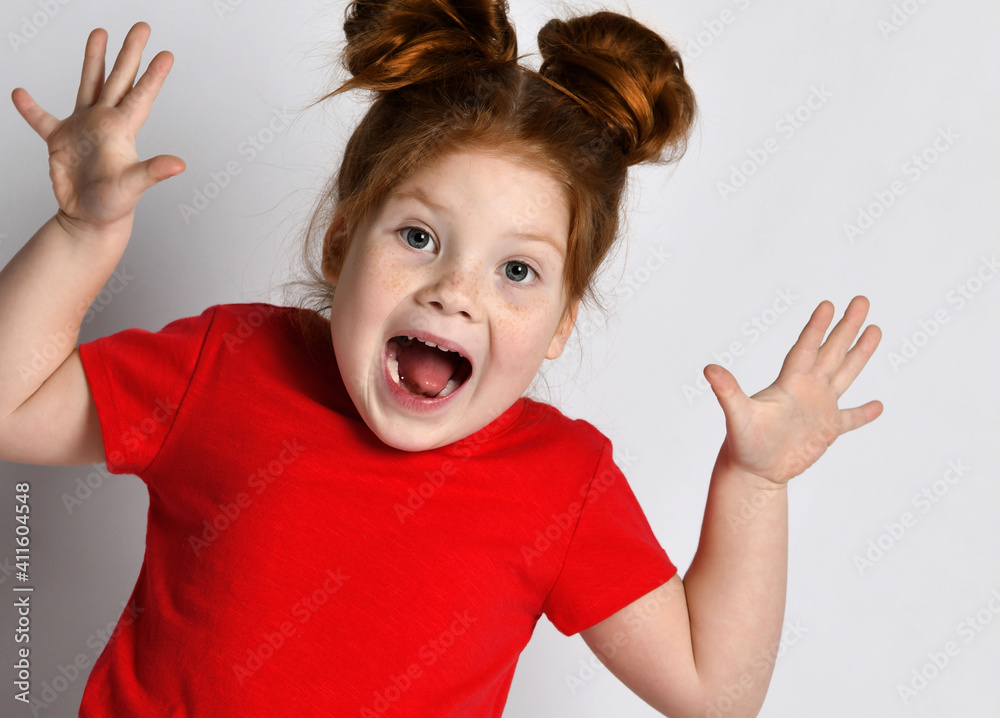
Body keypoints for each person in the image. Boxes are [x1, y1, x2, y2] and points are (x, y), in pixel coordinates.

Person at [0, 1, 882, 716]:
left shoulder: (559, 482)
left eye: (516, 270)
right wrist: (84, 234)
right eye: (419, 237)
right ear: (343, 245)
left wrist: (755, 486)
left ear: (562, 323)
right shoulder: (227, 364)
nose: (455, 291)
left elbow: (711, 693)